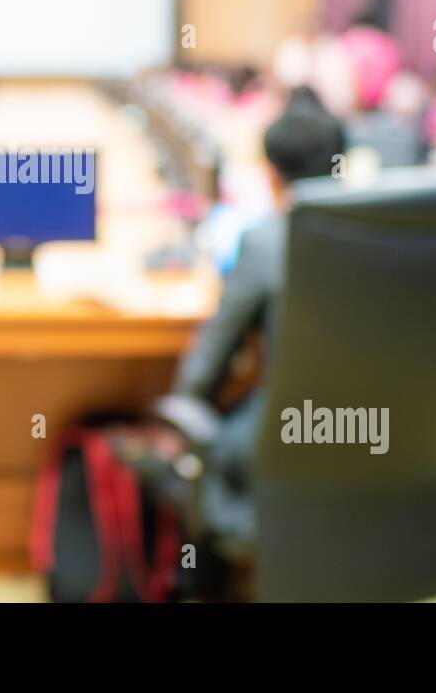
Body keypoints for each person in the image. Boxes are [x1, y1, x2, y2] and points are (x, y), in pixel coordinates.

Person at [143, 98, 346, 543]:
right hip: (379, 442)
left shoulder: (263, 244)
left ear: (272, 175)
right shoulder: (390, 236)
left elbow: (207, 365)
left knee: (156, 453)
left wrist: (178, 420)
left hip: (288, 440)